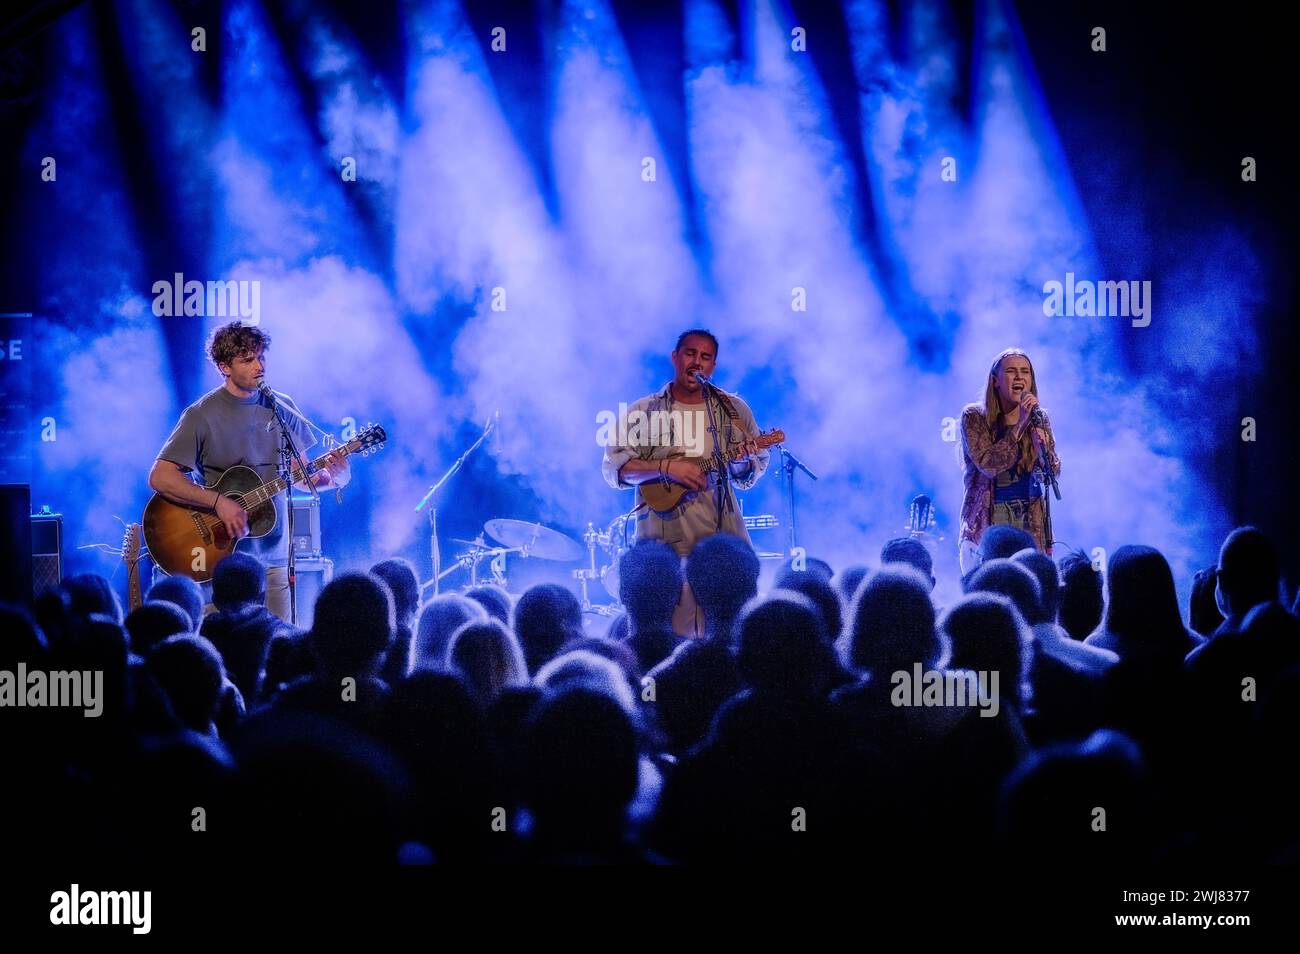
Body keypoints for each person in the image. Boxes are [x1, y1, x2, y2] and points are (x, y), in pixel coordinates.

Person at [148, 322, 350, 622]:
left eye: (261, 357)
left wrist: (338, 478)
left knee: (279, 649)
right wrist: (218, 502)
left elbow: (302, 475)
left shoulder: (283, 407)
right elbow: (160, 477)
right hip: (221, 561)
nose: (259, 366)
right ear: (223, 367)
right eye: (248, 359)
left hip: (275, 559)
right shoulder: (201, 414)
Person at [602, 329, 769, 556]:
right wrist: (667, 468)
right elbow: (616, 469)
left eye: (705, 357)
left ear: (713, 365)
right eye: (690, 354)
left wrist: (742, 460)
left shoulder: (734, 410)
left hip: (724, 545)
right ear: (675, 357)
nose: (697, 362)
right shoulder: (643, 411)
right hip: (661, 550)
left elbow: (743, 477)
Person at [958, 348, 1060, 575]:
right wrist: (1019, 427)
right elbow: (989, 465)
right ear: (995, 381)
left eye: (1025, 372)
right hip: (988, 522)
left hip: (1030, 522)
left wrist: (1043, 450)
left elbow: (1052, 473)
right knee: (990, 587)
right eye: (1012, 371)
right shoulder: (974, 417)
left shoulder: (1039, 417)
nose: (1019, 378)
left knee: (1030, 592)